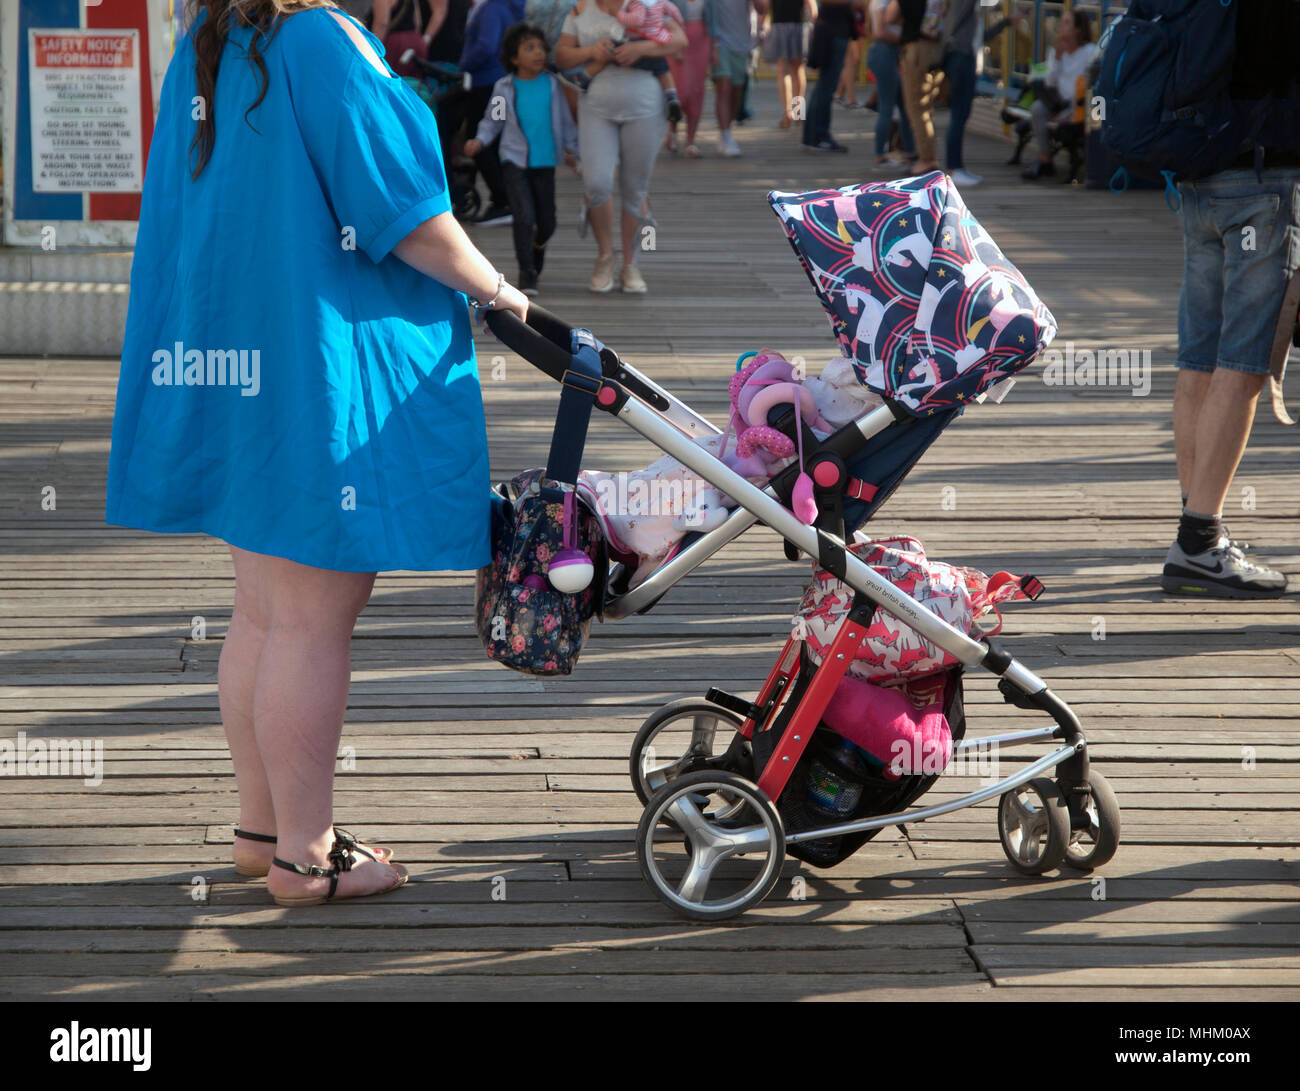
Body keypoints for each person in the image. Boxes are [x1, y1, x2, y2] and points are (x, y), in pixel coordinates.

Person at [106, 1, 529, 906]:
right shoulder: (321, 40)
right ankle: (306, 855)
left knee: (263, 610)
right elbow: (408, 216)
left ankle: (262, 830)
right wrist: (501, 291)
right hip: (315, 372)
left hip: (240, 367)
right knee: (309, 617)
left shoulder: (213, 39)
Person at [1162, 0, 1300, 599]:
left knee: (1199, 357)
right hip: (1265, 182)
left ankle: (1195, 527)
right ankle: (1199, 541)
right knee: (1243, 364)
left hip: (1200, 177)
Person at [555, 0, 687, 291]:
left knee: (635, 188)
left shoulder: (644, 4)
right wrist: (590, 51)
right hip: (596, 108)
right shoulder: (580, 9)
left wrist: (641, 48)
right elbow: (561, 56)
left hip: (646, 107)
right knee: (597, 183)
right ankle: (605, 255)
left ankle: (631, 264)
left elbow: (680, 40)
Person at [466, 23, 579, 294]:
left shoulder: (552, 85)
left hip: (545, 163)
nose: (538, 53)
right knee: (524, 217)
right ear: (514, 58)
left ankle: (537, 247)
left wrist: (575, 152)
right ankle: (527, 271)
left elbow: (565, 122)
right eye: (529, 48)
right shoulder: (504, 87)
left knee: (547, 222)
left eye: (541, 48)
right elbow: (493, 121)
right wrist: (479, 140)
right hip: (514, 161)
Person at [458, 0, 527, 223]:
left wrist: (464, 64)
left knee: (479, 140)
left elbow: (486, 46)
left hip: (486, 84)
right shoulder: (508, 7)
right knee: (496, 139)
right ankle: (509, 199)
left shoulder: (491, 9)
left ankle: (502, 199)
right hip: (501, 81)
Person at [941, 1, 1020, 186]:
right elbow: (954, 26)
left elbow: (978, 36)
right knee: (959, 115)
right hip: (960, 57)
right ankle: (953, 168)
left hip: (965, 56)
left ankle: (957, 166)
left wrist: (1006, 23)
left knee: (962, 114)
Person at [1020, 10, 1095, 181]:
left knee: (1067, 120)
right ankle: (1045, 157)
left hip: (1079, 106)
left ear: (1078, 29)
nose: (1061, 26)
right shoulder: (1056, 51)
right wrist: (1058, 58)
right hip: (1058, 103)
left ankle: (1054, 162)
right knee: (1037, 108)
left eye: (1067, 23)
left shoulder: (1089, 52)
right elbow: (1050, 83)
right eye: (1061, 22)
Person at [708, 0, 767, 157]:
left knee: (736, 91)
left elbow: (762, 8)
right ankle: (725, 134)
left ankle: (796, 116)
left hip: (742, 43)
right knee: (723, 86)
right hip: (719, 42)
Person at [891, 0, 942, 173]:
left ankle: (927, 159)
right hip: (935, 48)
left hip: (916, 48)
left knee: (916, 106)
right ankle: (929, 156)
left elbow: (890, 16)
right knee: (926, 107)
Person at [802, 0, 857, 153]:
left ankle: (809, 132)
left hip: (827, 30)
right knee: (822, 86)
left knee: (820, 86)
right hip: (828, 32)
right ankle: (817, 135)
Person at [865, 0, 914, 167]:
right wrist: (905, 39)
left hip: (887, 53)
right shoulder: (882, 2)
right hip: (884, 52)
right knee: (887, 107)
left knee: (903, 104)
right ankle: (880, 154)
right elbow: (880, 32)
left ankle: (910, 150)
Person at [667, 0, 711, 155]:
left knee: (696, 91)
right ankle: (672, 132)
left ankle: (690, 141)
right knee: (680, 91)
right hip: (678, 40)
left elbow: (713, 20)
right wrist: (674, 46)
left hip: (701, 42)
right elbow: (664, 16)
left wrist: (714, 47)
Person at [764, 0, 814, 130]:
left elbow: (765, 6)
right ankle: (798, 112)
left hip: (780, 25)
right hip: (798, 24)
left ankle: (788, 114)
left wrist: (762, 23)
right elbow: (812, 6)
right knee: (797, 70)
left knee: (783, 71)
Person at [834, 4, 864, 109]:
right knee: (851, 61)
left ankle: (839, 94)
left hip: (854, 22)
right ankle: (851, 100)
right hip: (849, 23)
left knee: (852, 61)